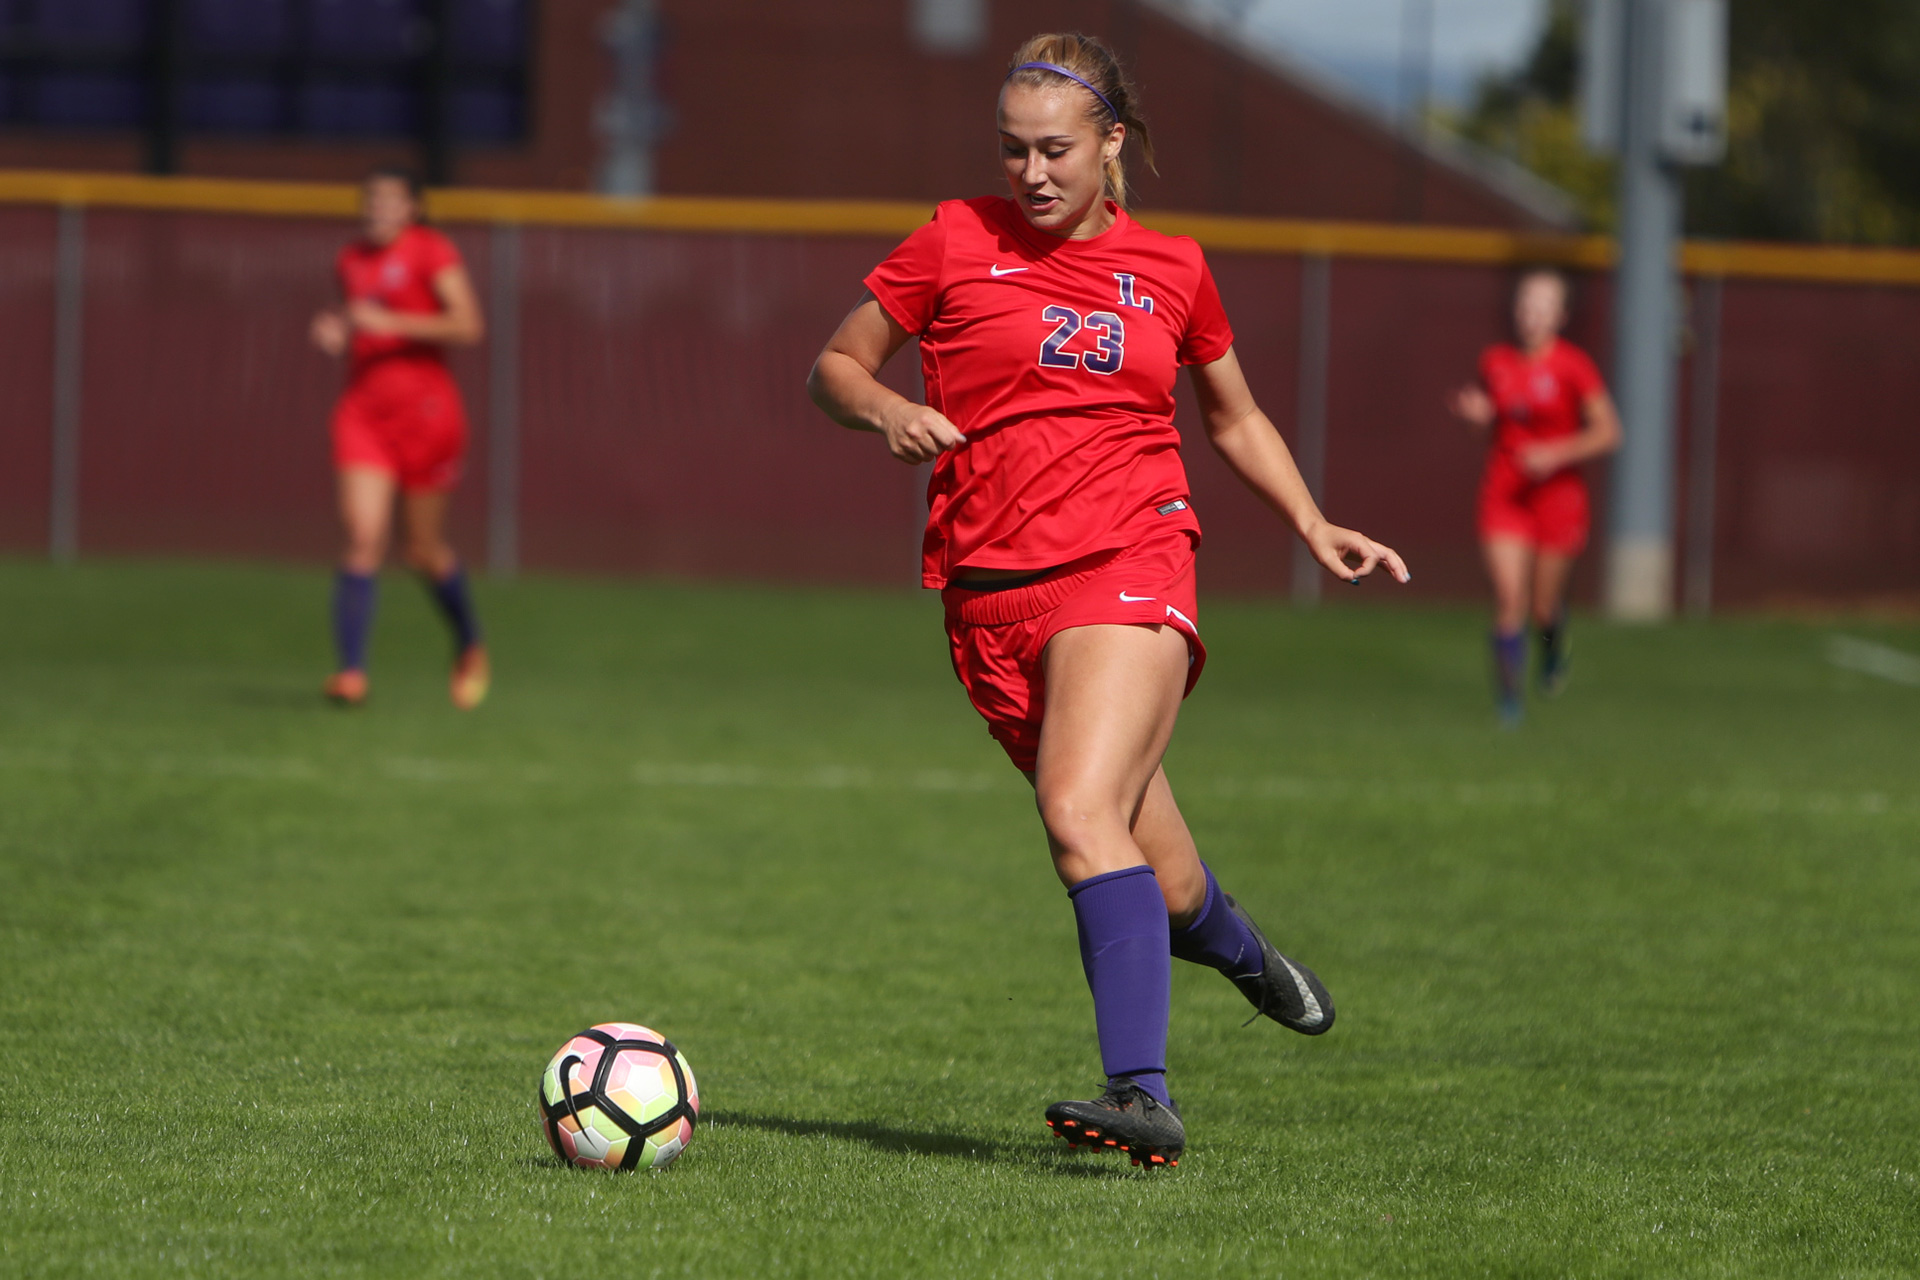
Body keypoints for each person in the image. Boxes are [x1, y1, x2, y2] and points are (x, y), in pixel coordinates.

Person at [807, 32, 1408, 1168]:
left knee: (1079, 815)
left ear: (1110, 144)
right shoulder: (951, 239)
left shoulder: (1172, 266)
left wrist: (1311, 520)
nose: (1031, 173)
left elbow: (1229, 415)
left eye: (1054, 150)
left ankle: (1142, 1094)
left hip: (1130, 560)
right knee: (1163, 878)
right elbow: (834, 363)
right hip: (989, 601)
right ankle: (1244, 953)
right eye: (1012, 150)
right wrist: (882, 410)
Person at [310, 168, 489, 710]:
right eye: (371, 200)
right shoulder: (349, 259)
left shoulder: (432, 251)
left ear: (413, 209)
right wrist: (339, 333)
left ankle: (469, 643)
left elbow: (468, 326)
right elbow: (360, 324)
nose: (379, 209)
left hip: (428, 417)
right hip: (364, 413)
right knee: (364, 536)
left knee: (422, 551)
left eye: (391, 201)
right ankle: (351, 673)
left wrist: (392, 322)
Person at [1449, 268, 1621, 725]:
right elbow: (1484, 426)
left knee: (1543, 606)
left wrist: (1555, 453)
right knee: (1510, 599)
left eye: (1544, 306)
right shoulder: (1496, 362)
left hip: (1559, 498)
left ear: (1561, 315)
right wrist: (1477, 419)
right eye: (1526, 304)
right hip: (1505, 495)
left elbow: (1608, 432)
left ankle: (1552, 646)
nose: (1532, 315)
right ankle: (1509, 701)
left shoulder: (1574, 366)